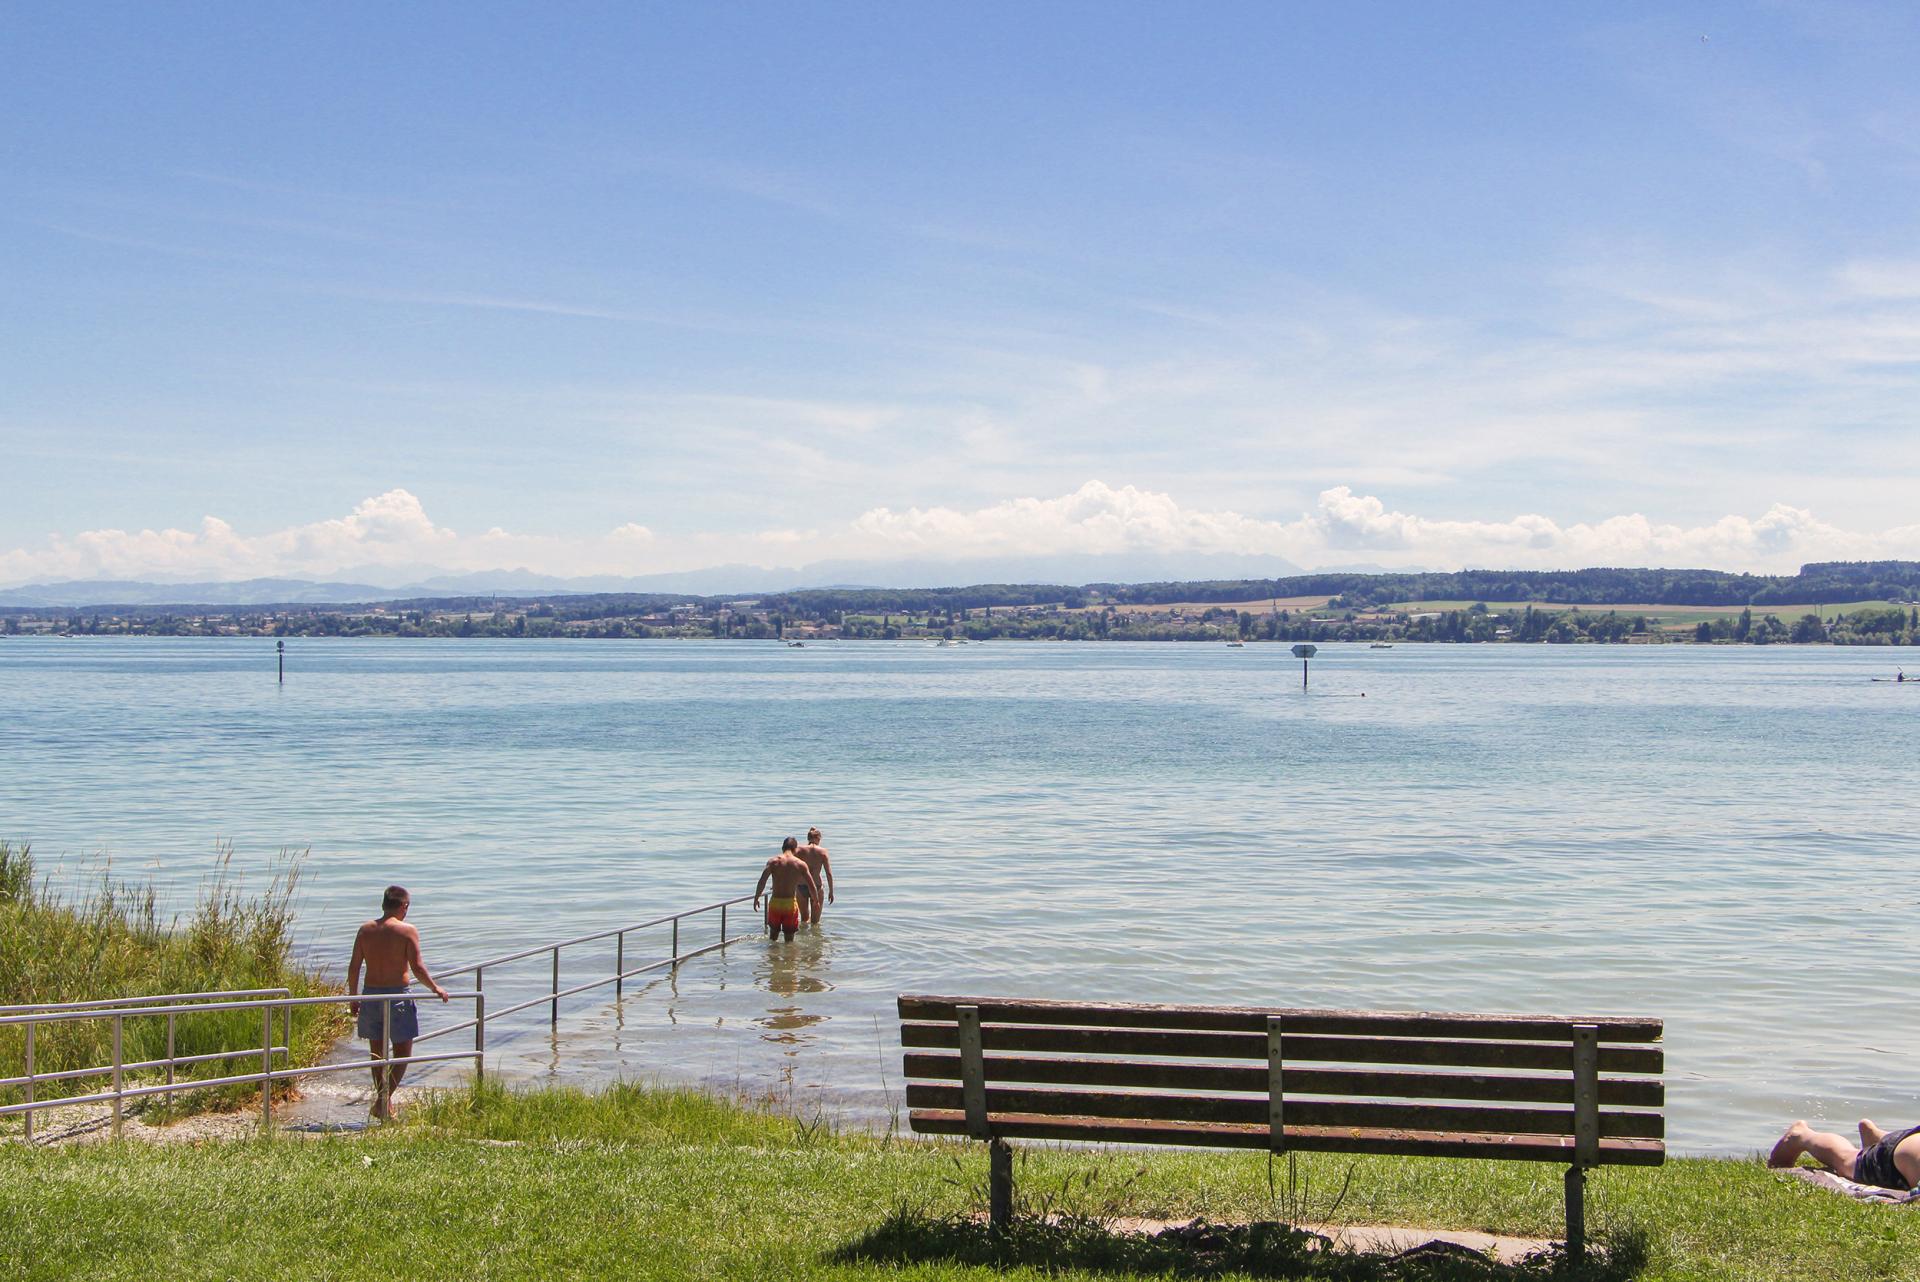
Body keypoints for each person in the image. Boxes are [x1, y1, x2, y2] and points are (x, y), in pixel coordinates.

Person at [347, 884, 449, 1121]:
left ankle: (384, 1103)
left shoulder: (365, 930)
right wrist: (435, 988)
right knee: (403, 1052)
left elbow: (354, 967)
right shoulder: (407, 931)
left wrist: (353, 997)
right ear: (404, 906)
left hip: (371, 995)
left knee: (377, 1053)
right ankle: (382, 1101)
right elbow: (417, 967)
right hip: (397, 997)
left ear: (383, 904)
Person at [1767, 1118, 1920, 1191]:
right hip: (1893, 1160)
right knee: (1846, 1159)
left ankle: (1877, 1138)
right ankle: (1802, 1136)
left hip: (1910, 1144)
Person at [754, 838, 819, 942]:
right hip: (790, 905)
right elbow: (811, 885)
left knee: (773, 938)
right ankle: (788, 953)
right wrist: (816, 901)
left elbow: (762, 881)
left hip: (775, 904)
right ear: (795, 849)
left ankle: (773, 952)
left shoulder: (773, 862)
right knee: (789, 940)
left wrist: (756, 897)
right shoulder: (800, 864)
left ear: (782, 847)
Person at [795, 826, 834, 926]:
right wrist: (831, 891)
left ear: (808, 838)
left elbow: (791, 867)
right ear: (818, 838)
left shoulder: (799, 850)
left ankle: (803, 936)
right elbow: (828, 873)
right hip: (817, 887)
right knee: (815, 923)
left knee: (804, 920)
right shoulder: (823, 852)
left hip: (801, 886)